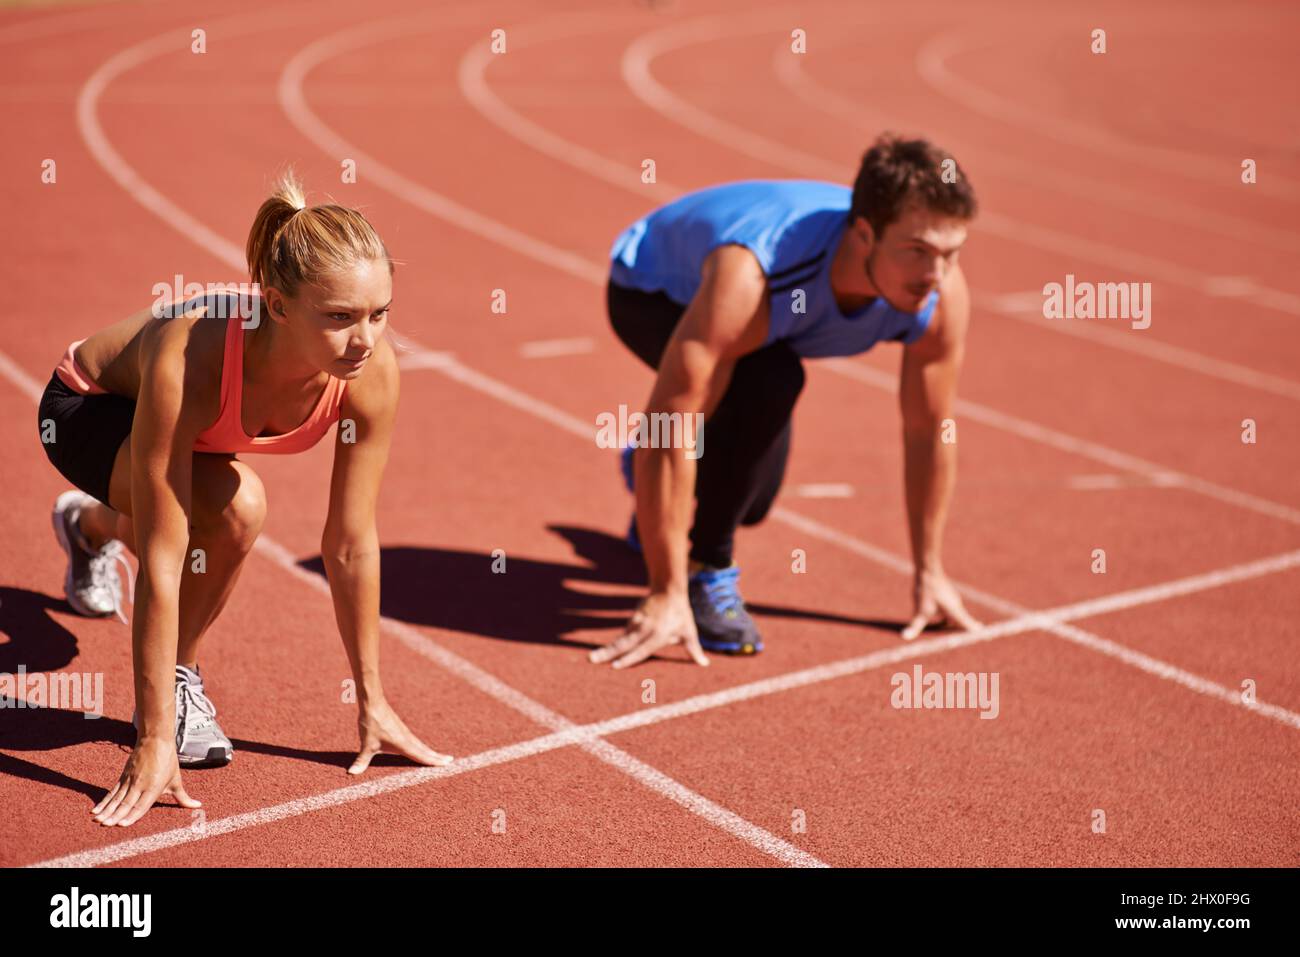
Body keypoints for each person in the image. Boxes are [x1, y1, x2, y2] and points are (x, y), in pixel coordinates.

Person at [36, 173, 451, 828]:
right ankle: (179, 682)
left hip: (185, 438)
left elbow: (350, 542)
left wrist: (371, 698)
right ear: (278, 307)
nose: (365, 339)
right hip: (89, 410)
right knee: (234, 508)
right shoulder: (191, 355)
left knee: (211, 504)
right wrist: (152, 736)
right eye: (339, 317)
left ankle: (89, 527)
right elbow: (165, 560)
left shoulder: (370, 371)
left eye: (380, 312)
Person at [591, 134, 984, 668]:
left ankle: (651, 488)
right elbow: (669, 422)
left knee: (753, 499)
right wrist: (664, 591)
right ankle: (708, 569)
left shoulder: (937, 294)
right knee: (768, 381)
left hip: (770, 324)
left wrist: (929, 569)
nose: (935, 275)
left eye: (950, 252)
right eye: (917, 251)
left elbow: (929, 430)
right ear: (864, 234)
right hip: (654, 290)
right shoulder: (753, 273)